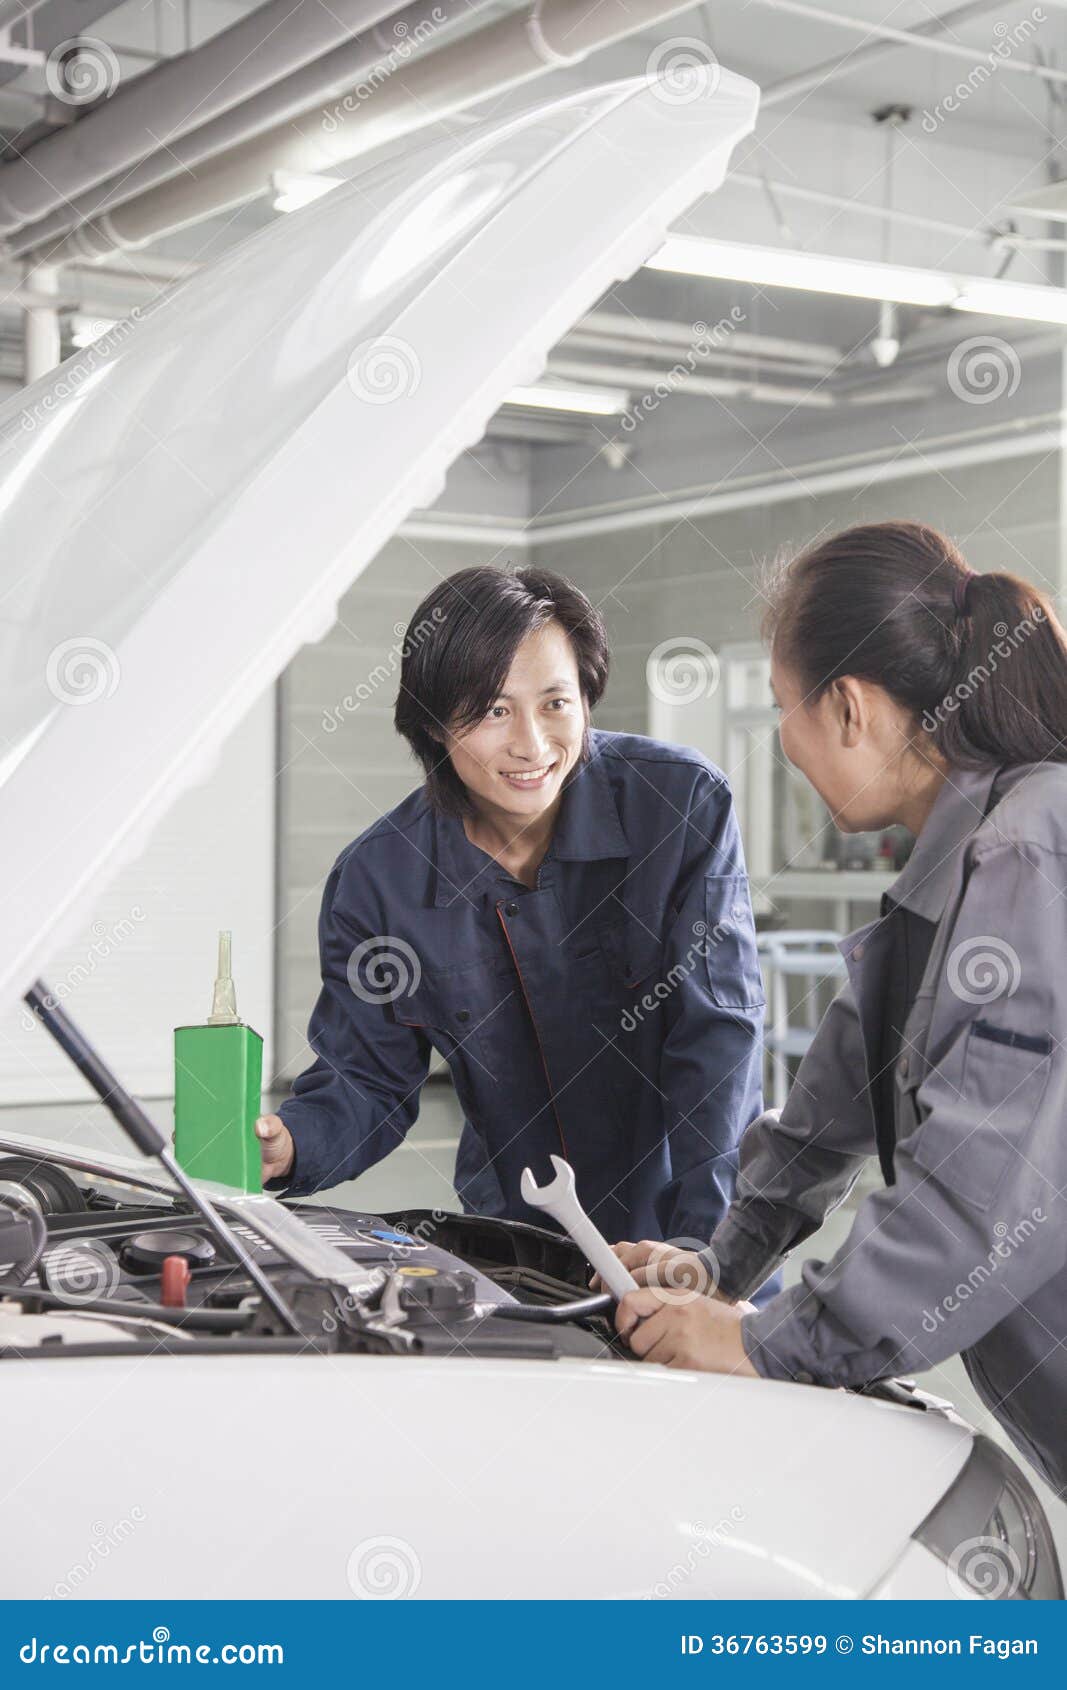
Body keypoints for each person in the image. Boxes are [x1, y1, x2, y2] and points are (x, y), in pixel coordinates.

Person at [608, 521, 1067, 1494]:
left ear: (848, 707)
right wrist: (714, 1269)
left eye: (786, 707)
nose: (785, 741)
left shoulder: (1027, 852)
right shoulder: (949, 872)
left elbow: (979, 1191)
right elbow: (824, 1120)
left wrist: (768, 1344)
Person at [255, 565, 769, 1251]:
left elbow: (717, 1043)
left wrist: (709, 1254)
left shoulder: (677, 806)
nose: (531, 744)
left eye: (556, 703)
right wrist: (293, 1142)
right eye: (494, 711)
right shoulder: (380, 881)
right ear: (433, 723)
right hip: (518, 1232)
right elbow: (367, 1076)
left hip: (691, 1216)